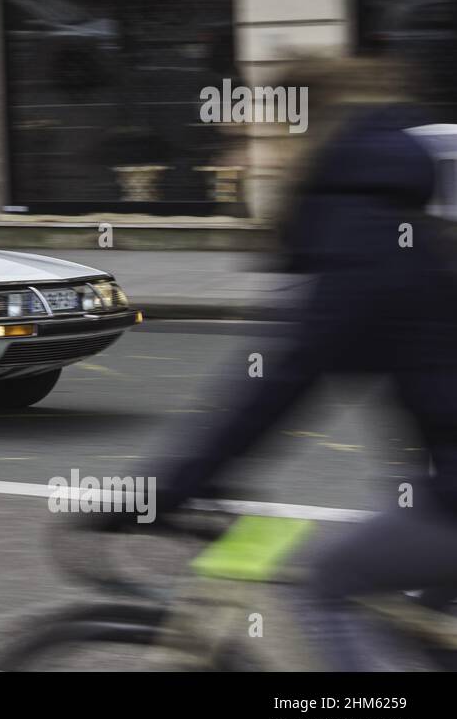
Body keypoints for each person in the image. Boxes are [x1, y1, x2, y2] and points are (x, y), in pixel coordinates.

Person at [132, 56, 457, 670]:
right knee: (409, 627)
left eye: (253, 140)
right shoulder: (380, 210)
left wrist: (168, 488)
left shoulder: (358, 230)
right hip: (442, 479)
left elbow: (284, 377)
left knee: (328, 585)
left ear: (300, 133)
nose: (242, 162)